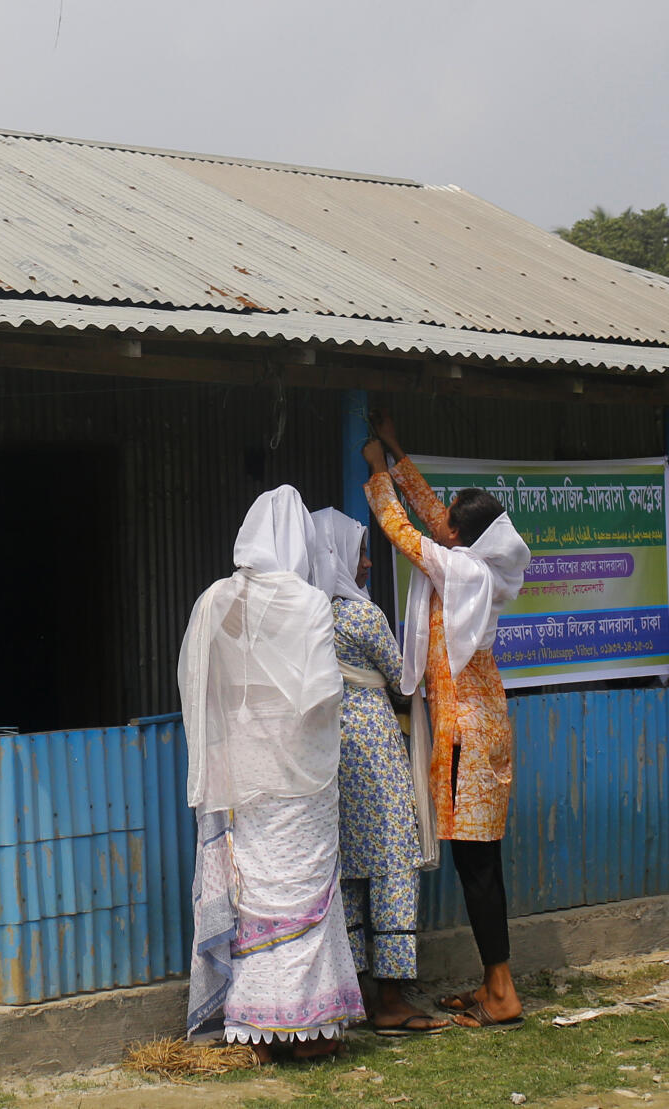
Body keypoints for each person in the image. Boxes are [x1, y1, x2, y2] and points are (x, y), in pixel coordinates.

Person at [181, 486, 365, 1056]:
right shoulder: (309, 602)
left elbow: (196, 683)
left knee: (256, 887)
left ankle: (259, 1028)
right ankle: (310, 1031)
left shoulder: (216, 600)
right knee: (304, 883)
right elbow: (321, 692)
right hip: (300, 770)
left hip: (243, 769)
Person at [359, 415, 530, 1026]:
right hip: (480, 727)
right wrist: (401, 453)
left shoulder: (461, 571)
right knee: (478, 863)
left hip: (467, 734)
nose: (445, 523)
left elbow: (405, 530)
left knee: (477, 866)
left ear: (466, 536)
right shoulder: (480, 563)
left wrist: (378, 476)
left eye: (454, 521)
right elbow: (435, 517)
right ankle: (493, 986)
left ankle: (502, 994)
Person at [306, 506, 448, 1034]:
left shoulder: (307, 614)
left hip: (325, 752)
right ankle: (391, 999)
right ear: (338, 556)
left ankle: (355, 994)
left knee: (345, 868)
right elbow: (402, 677)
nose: (367, 564)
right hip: (374, 748)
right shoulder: (363, 616)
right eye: (361, 552)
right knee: (393, 858)